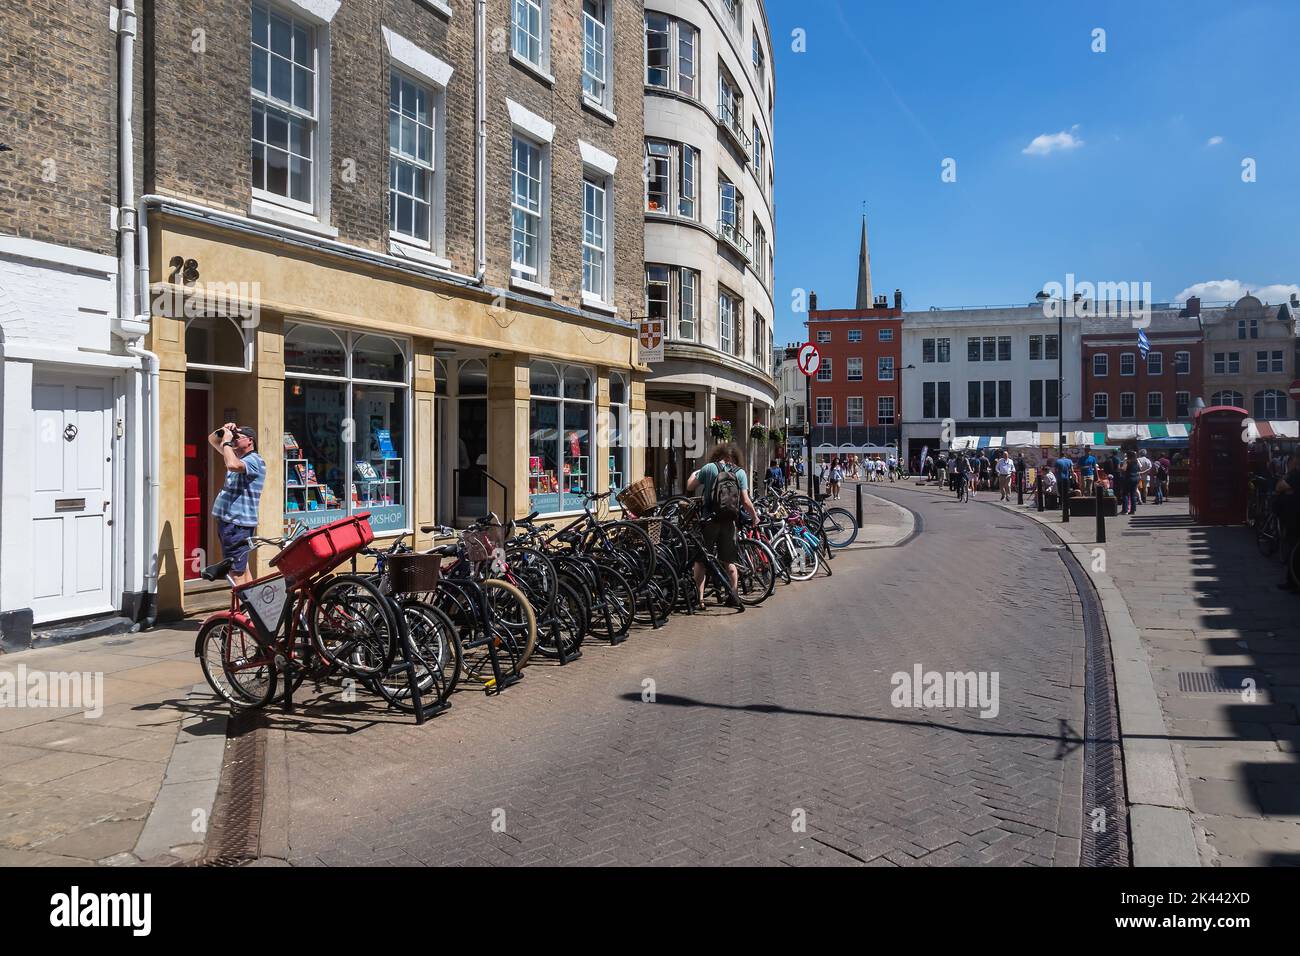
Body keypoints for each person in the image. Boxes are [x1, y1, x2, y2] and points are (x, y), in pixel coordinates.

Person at [687, 443, 759, 609]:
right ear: (735, 457)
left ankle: (700, 599)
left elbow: (690, 486)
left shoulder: (709, 468)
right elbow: (745, 501)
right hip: (729, 522)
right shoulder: (740, 473)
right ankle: (733, 595)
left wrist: (693, 474)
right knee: (729, 561)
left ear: (717, 454)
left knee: (701, 560)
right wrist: (754, 516)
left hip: (709, 521)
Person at [209, 423, 265, 588]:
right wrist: (224, 431)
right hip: (233, 523)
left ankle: (242, 610)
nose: (233, 440)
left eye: (237, 438)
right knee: (243, 568)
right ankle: (252, 609)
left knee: (236, 572)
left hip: (236, 525)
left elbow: (232, 465)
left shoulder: (254, 460)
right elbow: (212, 440)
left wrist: (226, 442)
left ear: (250, 441)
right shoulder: (236, 456)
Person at [1119, 449, 1140, 515]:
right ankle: (1133, 510)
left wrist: (1120, 468)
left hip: (1128, 478)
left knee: (1125, 494)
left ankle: (1125, 510)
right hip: (1136, 478)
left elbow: (1124, 469)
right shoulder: (1136, 461)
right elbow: (1140, 469)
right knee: (1133, 494)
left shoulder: (1127, 461)